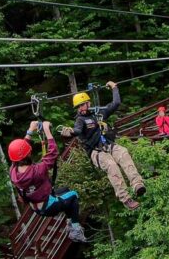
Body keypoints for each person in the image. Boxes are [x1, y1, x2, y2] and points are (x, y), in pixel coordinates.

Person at [61, 81, 146, 210]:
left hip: (108, 144)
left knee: (123, 153)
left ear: (88, 103)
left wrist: (114, 87)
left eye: (82, 105)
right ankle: (125, 198)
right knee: (111, 165)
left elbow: (116, 103)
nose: (81, 108)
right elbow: (77, 131)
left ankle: (137, 184)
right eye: (78, 107)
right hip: (96, 152)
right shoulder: (80, 120)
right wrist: (70, 132)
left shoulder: (98, 113)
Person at [8, 120, 86, 242]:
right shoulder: (38, 170)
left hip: (37, 206)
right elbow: (53, 153)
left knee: (65, 190)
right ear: (28, 154)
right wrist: (47, 130)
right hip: (48, 206)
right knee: (73, 196)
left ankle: (69, 221)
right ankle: (75, 229)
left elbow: (20, 151)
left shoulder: (13, 170)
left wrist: (30, 130)